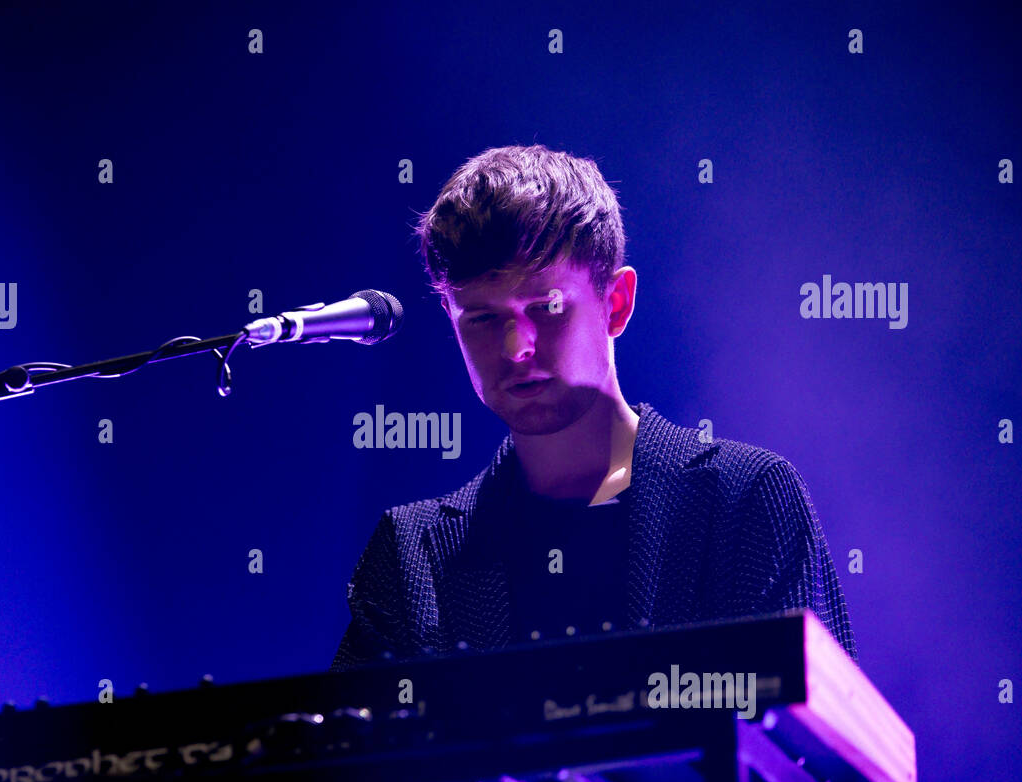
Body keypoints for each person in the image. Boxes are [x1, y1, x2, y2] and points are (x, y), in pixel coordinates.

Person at [330, 144, 856, 672]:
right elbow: (340, 754)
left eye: (547, 307)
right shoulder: (410, 555)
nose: (516, 347)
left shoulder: (745, 500)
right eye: (483, 319)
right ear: (450, 317)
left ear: (617, 302)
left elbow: (823, 744)